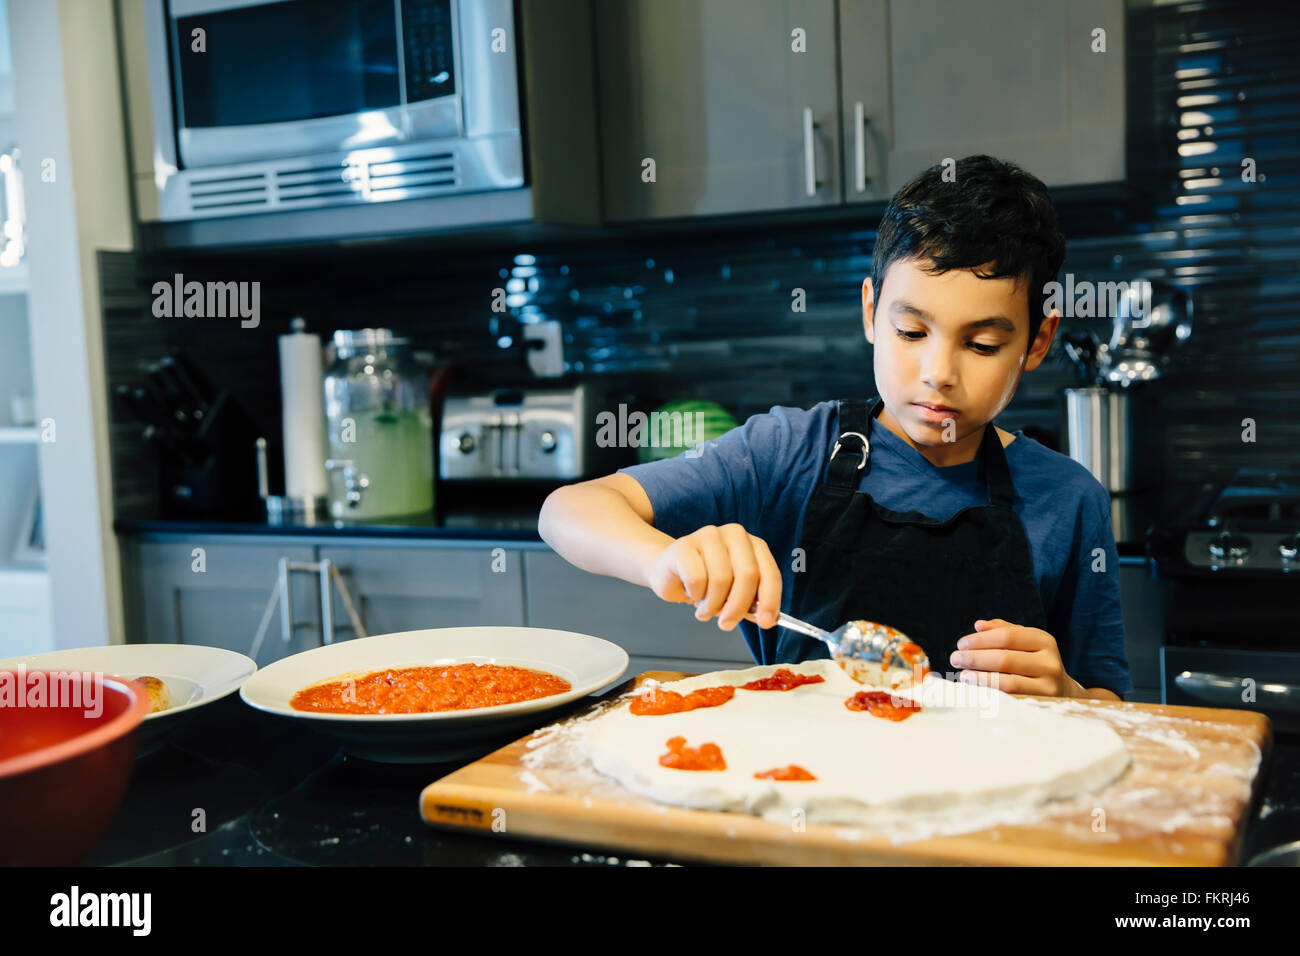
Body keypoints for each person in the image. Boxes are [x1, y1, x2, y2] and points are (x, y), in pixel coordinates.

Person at [539, 154, 1131, 701]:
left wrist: (1071, 699)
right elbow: (568, 510)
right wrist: (662, 561)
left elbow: (1115, 709)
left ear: (1037, 341)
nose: (938, 374)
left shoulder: (1068, 499)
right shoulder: (789, 453)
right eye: (911, 333)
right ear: (872, 312)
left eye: (981, 344)